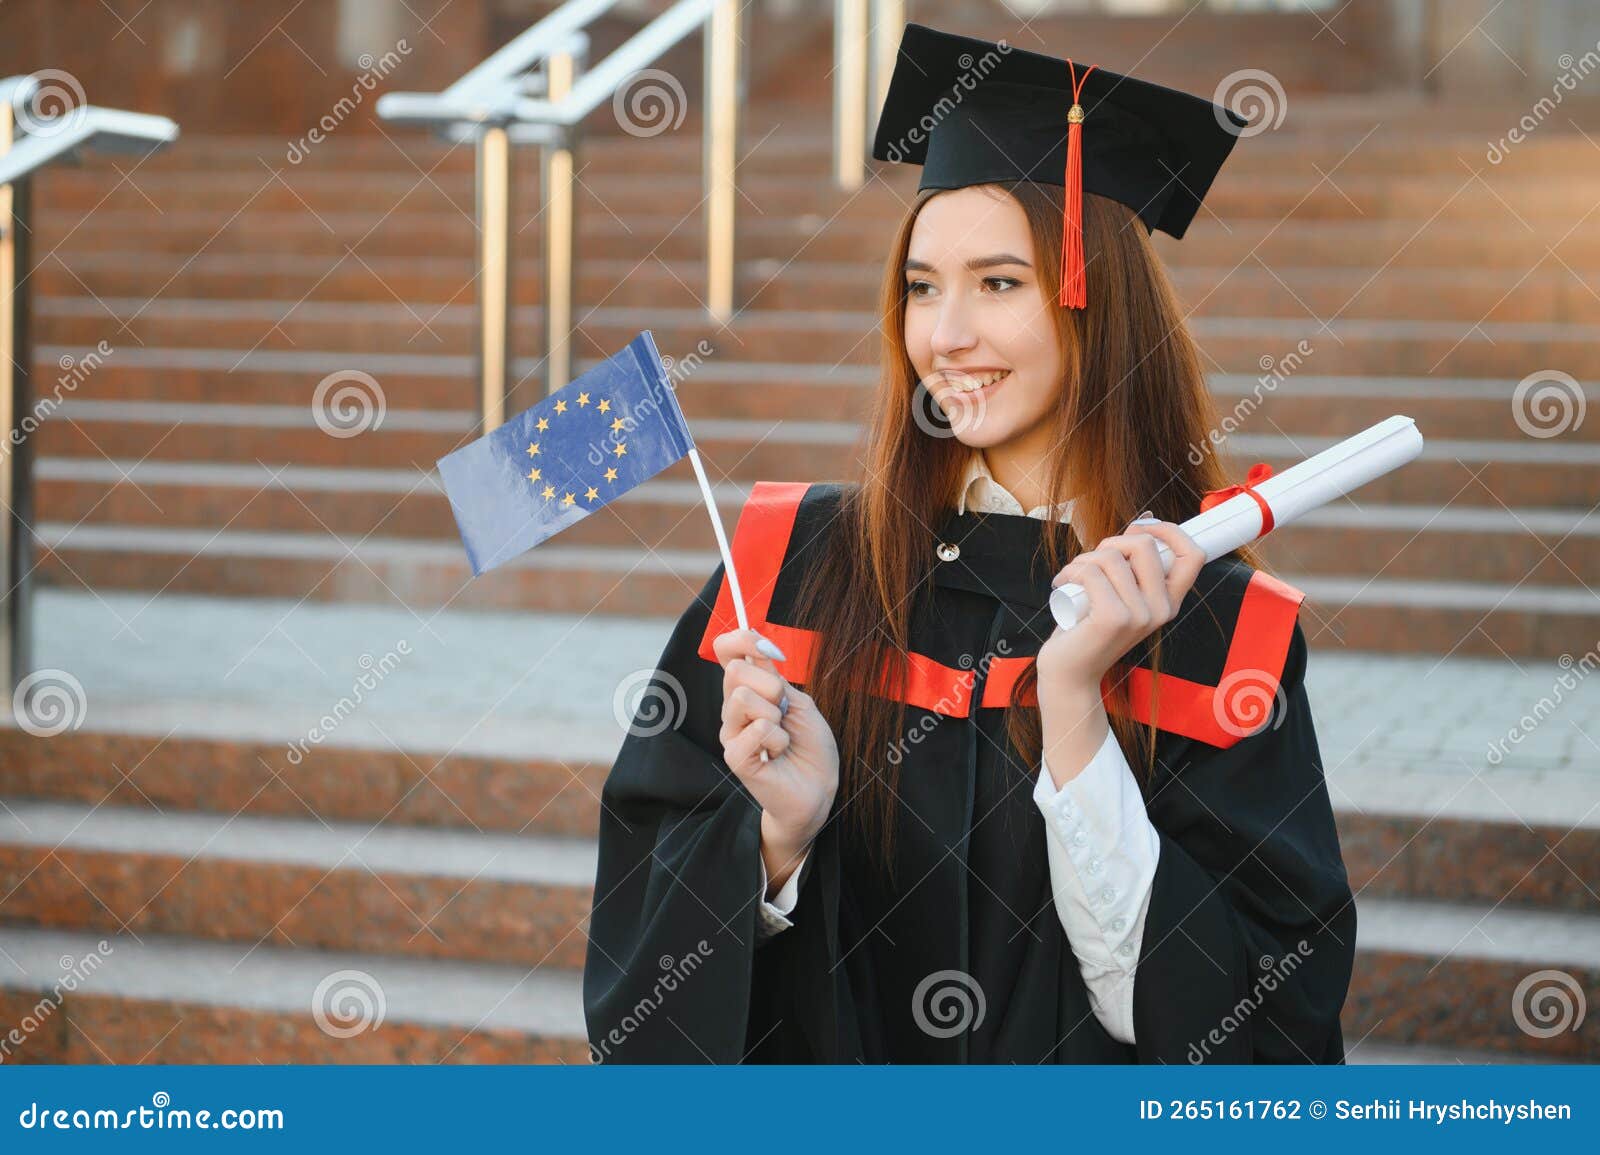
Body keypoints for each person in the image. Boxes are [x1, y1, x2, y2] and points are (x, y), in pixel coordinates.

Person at [582, 23, 1356, 1064]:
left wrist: (1075, 712)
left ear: (1096, 307)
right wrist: (773, 843)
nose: (944, 334)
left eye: (998, 284)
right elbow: (642, 959)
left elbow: (1254, 1039)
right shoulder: (788, 570)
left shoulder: (1218, 632)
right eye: (919, 285)